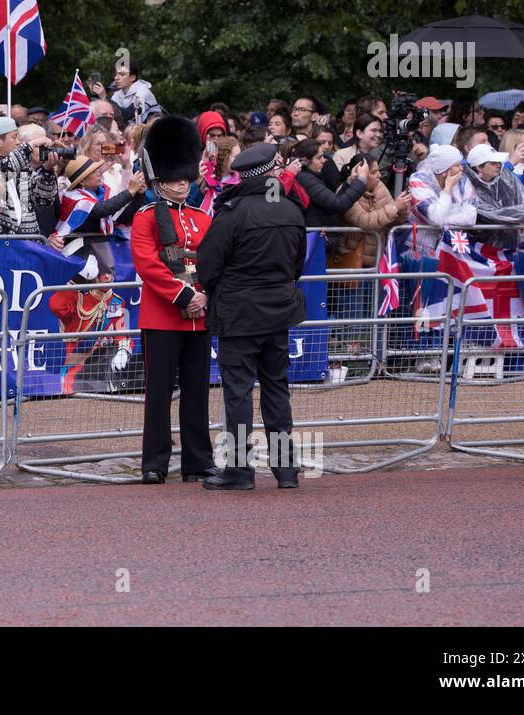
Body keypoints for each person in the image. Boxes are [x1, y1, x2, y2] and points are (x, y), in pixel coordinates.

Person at [194, 142, 307, 490]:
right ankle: (286, 470)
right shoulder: (290, 211)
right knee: (276, 389)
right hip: (278, 311)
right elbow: (297, 265)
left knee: (239, 394)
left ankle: (240, 470)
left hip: (239, 314)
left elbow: (208, 266)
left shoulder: (233, 212)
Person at [128, 115, 217, 484]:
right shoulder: (146, 218)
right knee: (159, 393)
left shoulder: (202, 218)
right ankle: (155, 462)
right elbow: (149, 266)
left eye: (186, 178)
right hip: (163, 316)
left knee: (198, 392)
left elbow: (214, 260)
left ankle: (198, 460)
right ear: (161, 179)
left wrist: (206, 294)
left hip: (199, 316)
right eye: (176, 178)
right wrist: (186, 297)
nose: (183, 184)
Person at [0, 116, 57, 235]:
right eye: (14, 137)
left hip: (27, 243)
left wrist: (47, 170)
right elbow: (2, 171)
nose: (18, 142)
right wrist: (31, 144)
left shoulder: (22, 167)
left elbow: (43, 200)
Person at [465, 142, 524, 247]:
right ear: (479, 167)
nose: (498, 165)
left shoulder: (504, 175)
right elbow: (493, 214)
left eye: (499, 161)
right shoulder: (467, 185)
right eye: (493, 163)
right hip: (478, 247)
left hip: (509, 244)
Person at [408, 144, 478, 244]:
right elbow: (436, 218)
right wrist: (448, 189)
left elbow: (471, 217)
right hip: (421, 245)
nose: (461, 169)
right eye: (457, 165)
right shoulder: (418, 180)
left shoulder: (462, 179)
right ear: (444, 170)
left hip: (452, 243)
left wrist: (442, 220)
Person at [292, 138, 367, 227]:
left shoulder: (309, 177)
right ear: (305, 161)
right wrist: (361, 180)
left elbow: (333, 201)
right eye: (319, 157)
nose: (324, 160)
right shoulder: (306, 179)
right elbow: (338, 205)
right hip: (318, 236)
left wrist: (349, 182)